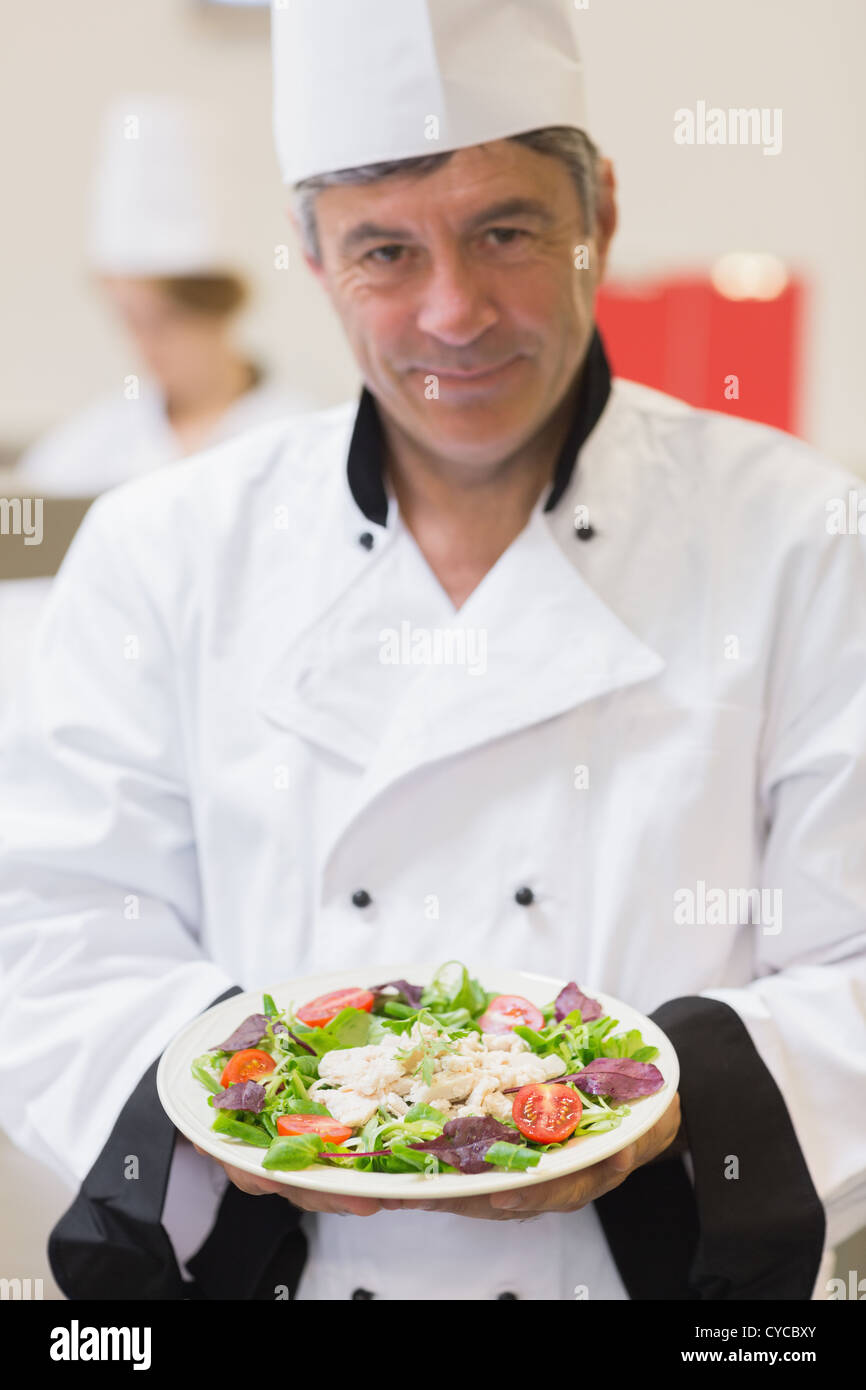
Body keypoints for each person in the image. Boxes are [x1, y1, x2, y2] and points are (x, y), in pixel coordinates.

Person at [0, 0, 863, 1301]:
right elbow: (49, 924)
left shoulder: (803, 536)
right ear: (309, 255)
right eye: (384, 251)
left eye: (503, 231)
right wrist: (261, 1105)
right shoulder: (161, 550)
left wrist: (658, 1104)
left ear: (600, 215)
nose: (453, 312)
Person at [15, 94, 308, 495]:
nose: (145, 344)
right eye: (129, 320)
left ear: (219, 309)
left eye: (164, 319)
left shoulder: (298, 437)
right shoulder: (88, 448)